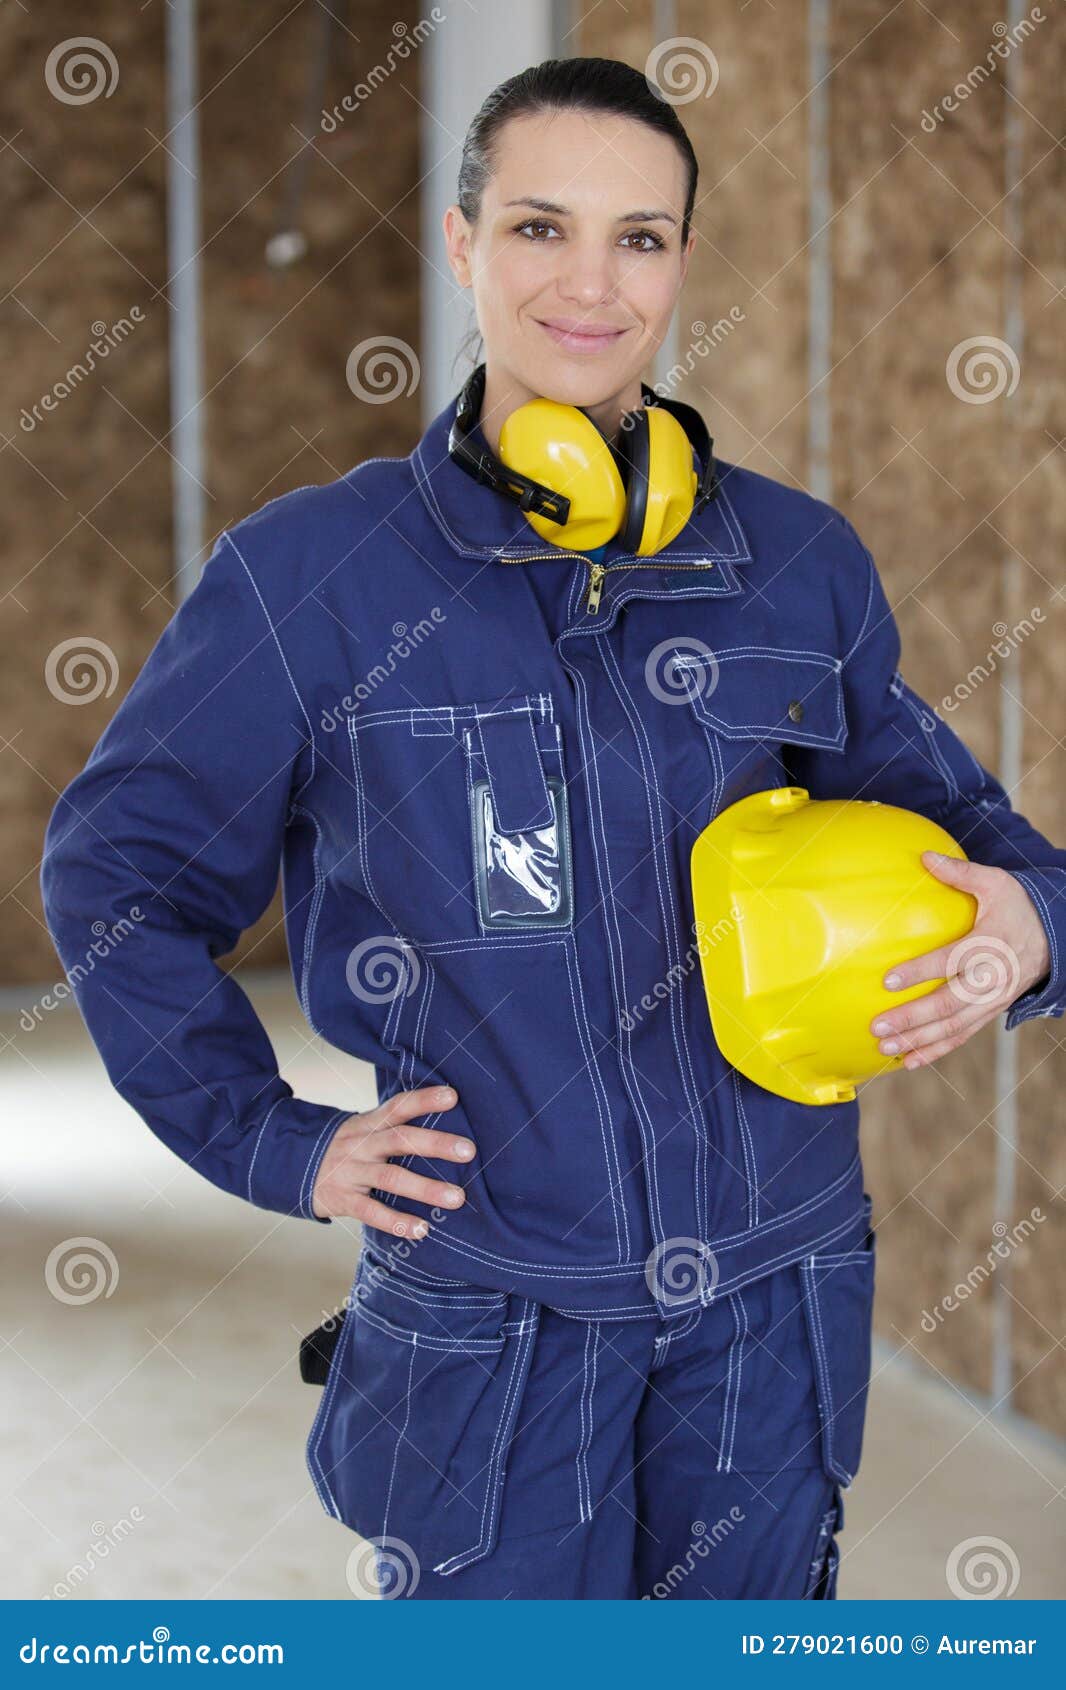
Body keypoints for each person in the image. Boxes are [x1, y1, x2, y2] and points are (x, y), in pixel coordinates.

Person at [40, 57, 1065, 1601]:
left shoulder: (792, 562)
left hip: (770, 1302)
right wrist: (272, 1140)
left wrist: (1027, 928)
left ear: (681, 262)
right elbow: (118, 874)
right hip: (493, 1324)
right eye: (539, 228)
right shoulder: (319, 577)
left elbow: (979, 835)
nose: (591, 284)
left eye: (639, 238)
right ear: (460, 245)